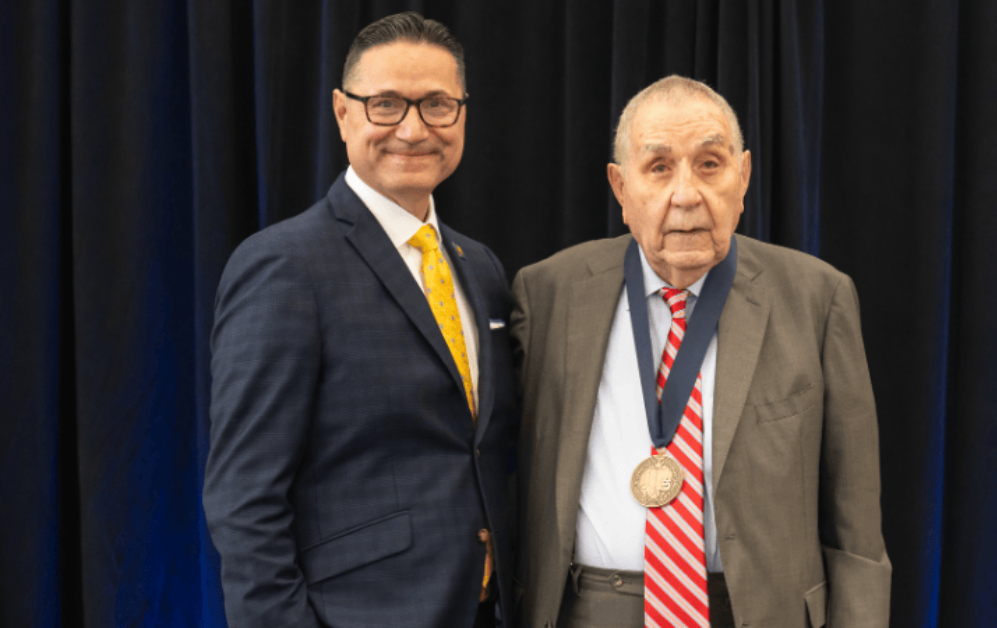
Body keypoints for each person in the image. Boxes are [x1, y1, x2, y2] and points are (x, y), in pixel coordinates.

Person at [511, 76, 890, 628]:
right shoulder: (548, 294)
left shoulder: (818, 297)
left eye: (710, 164)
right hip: (591, 609)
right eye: (659, 167)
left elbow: (855, 532)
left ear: (743, 177)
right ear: (620, 189)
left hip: (757, 612)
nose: (686, 194)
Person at [204, 12, 516, 628]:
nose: (413, 127)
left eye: (437, 105)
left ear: (462, 114)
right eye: (386, 104)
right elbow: (244, 499)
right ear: (343, 113)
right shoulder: (284, 265)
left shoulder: (478, 267)